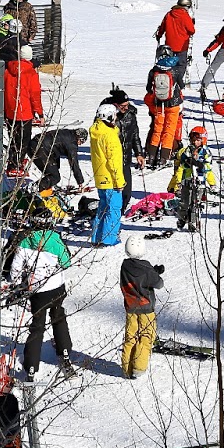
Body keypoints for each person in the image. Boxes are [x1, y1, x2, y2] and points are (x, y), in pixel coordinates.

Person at [8, 221, 74, 382]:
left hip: (37, 291)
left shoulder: (25, 240)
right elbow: (66, 262)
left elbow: (15, 269)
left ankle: (31, 366)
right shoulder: (54, 238)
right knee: (58, 318)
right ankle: (64, 351)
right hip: (56, 288)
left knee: (37, 327)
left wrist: (17, 285)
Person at [119, 237, 165, 379]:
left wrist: (153, 270)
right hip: (146, 309)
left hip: (130, 307)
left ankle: (127, 368)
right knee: (147, 335)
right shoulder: (146, 269)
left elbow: (138, 275)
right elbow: (158, 283)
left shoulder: (124, 266)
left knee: (130, 336)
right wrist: (155, 273)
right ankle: (139, 367)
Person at [168, 126, 217, 232]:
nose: (196, 142)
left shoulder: (206, 152)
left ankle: (193, 223)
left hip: (200, 183)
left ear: (203, 140)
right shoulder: (187, 151)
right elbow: (181, 168)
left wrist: (212, 184)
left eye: (198, 140)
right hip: (187, 181)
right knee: (185, 203)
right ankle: (182, 219)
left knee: (196, 203)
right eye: (194, 140)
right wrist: (178, 183)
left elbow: (208, 169)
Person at [89, 104, 125, 246]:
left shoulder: (96, 131)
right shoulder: (109, 136)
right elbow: (114, 162)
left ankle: (96, 237)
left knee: (103, 208)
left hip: (100, 177)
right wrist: (119, 182)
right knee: (114, 209)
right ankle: (109, 239)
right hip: (111, 179)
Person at [143, 49, 186, 167]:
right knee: (169, 131)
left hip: (158, 105)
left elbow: (148, 88)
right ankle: (164, 158)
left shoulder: (153, 71)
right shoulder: (175, 71)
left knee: (157, 130)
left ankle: (151, 157)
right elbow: (181, 86)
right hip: (173, 105)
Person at [1, 16, 44, 128]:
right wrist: (34, 63)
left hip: (7, 71)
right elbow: (34, 93)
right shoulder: (22, 44)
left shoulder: (2, 42)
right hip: (20, 71)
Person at [111, 90, 141, 211]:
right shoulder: (107, 117)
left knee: (126, 191)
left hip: (126, 158)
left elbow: (135, 136)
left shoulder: (131, 115)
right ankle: (113, 213)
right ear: (115, 105)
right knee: (114, 190)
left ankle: (121, 211)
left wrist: (139, 154)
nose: (126, 108)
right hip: (112, 159)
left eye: (127, 105)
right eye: (123, 106)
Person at [153, 0, 195, 73]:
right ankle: (178, 83)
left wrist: (159, 35)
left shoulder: (169, 14)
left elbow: (162, 27)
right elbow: (191, 31)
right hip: (182, 46)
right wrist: (192, 23)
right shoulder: (185, 16)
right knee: (181, 65)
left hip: (169, 45)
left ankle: (170, 81)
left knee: (169, 64)